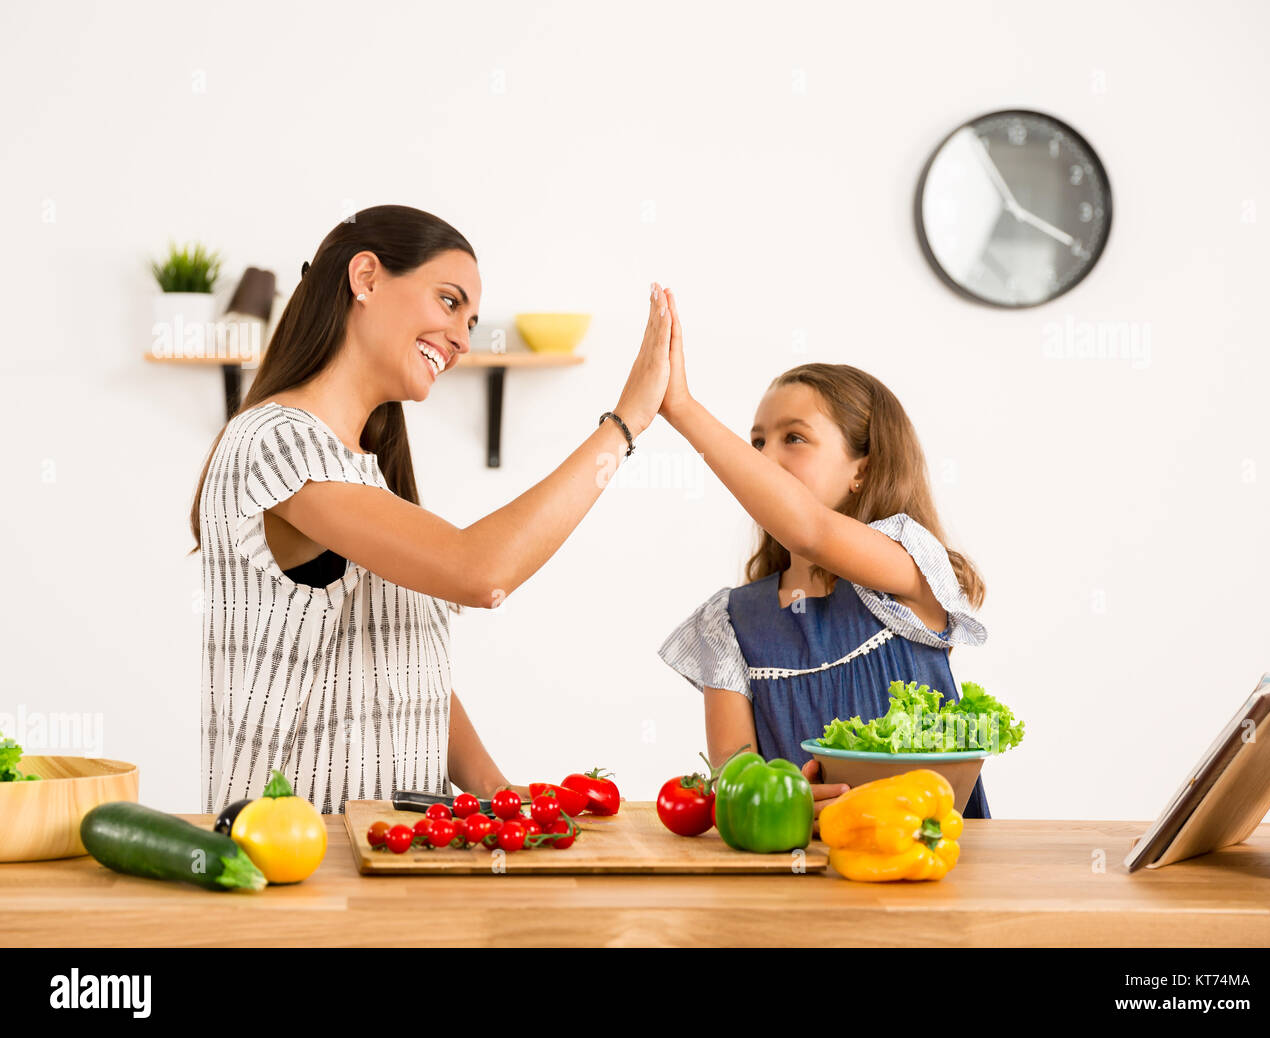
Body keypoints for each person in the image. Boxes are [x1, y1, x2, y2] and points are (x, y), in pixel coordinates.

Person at [191, 204, 672, 815]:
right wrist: (625, 424)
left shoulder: (361, 470)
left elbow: (405, 663)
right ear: (365, 278)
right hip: (299, 857)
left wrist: (497, 790)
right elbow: (484, 573)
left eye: (471, 321)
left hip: (396, 848)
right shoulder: (276, 442)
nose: (464, 340)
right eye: (449, 303)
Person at [654, 289, 992, 821]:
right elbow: (733, 784)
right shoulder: (729, 623)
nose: (764, 459)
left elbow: (810, 531)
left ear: (862, 468)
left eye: (795, 438)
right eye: (757, 443)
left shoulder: (906, 568)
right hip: (794, 879)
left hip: (930, 871)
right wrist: (777, 802)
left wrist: (682, 408)